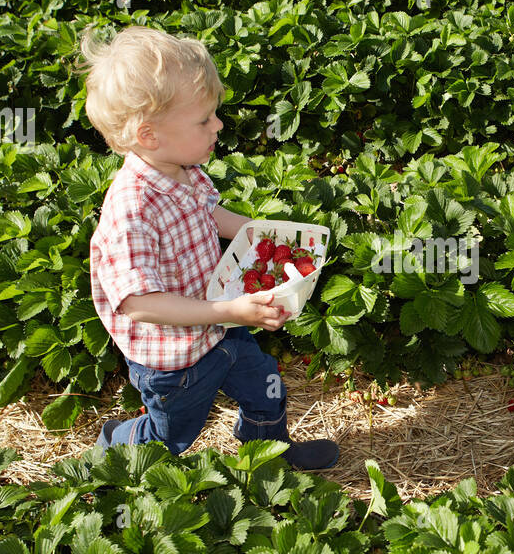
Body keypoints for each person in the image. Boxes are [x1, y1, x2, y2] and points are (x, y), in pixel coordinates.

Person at [80, 24, 339, 470]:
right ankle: (117, 448)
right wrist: (231, 312)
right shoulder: (131, 209)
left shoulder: (182, 167)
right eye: (204, 119)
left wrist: (263, 232)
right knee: (171, 436)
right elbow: (140, 303)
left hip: (220, 321)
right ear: (148, 135)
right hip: (173, 357)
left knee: (265, 384)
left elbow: (208, 214)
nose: (218, 124)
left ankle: (267, 460)